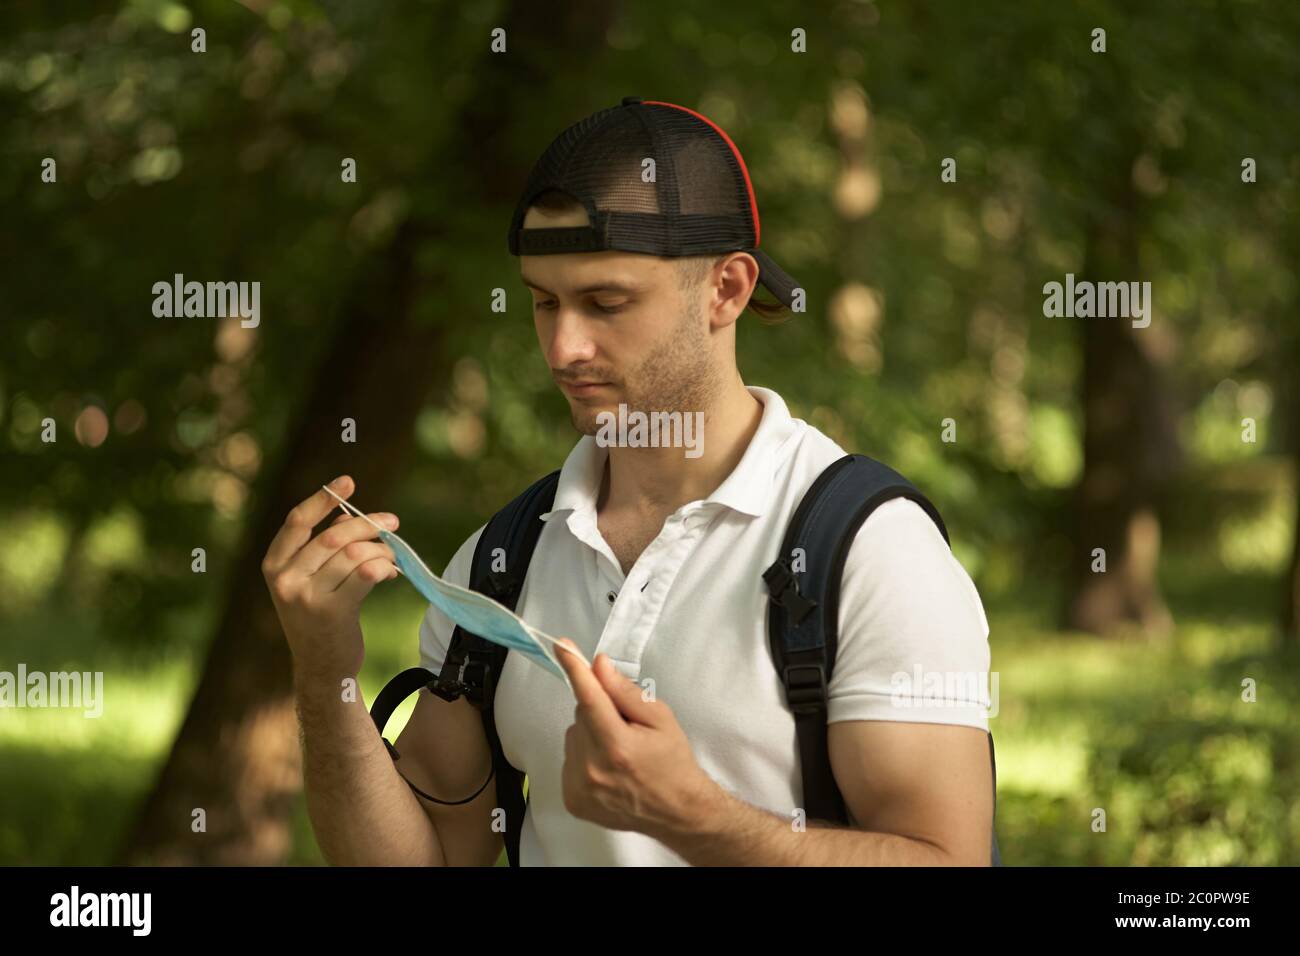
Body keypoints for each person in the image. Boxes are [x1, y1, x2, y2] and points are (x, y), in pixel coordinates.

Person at [263, 98, 994, 866]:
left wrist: (692, 817)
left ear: (727, 290)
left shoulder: (869, 550)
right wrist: (322, 674)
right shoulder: (502, 560)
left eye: (605, 303)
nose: (563, 346)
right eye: (544, 302)